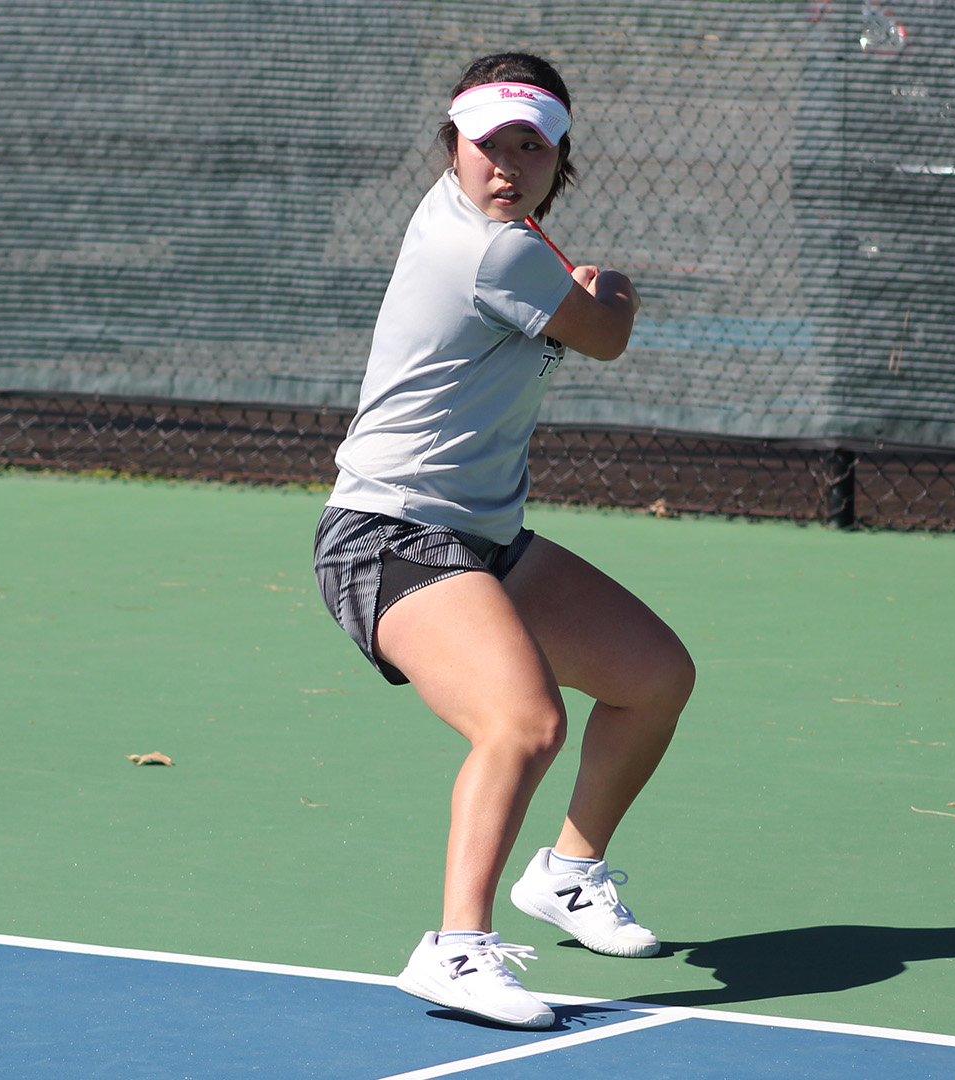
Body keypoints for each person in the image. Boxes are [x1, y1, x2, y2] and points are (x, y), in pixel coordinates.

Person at [312, 52, 696, 1029]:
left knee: (652, 675)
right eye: (489, 144)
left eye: (532, 145)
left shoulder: (503, 230)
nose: (507, 163)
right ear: (452, 147)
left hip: (481, 536)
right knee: (522, 723)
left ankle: (569, 876)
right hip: (387, 534)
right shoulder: (496, 250)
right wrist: (616, 292)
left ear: (558, 159)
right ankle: (456, 949)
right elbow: (603, 334)